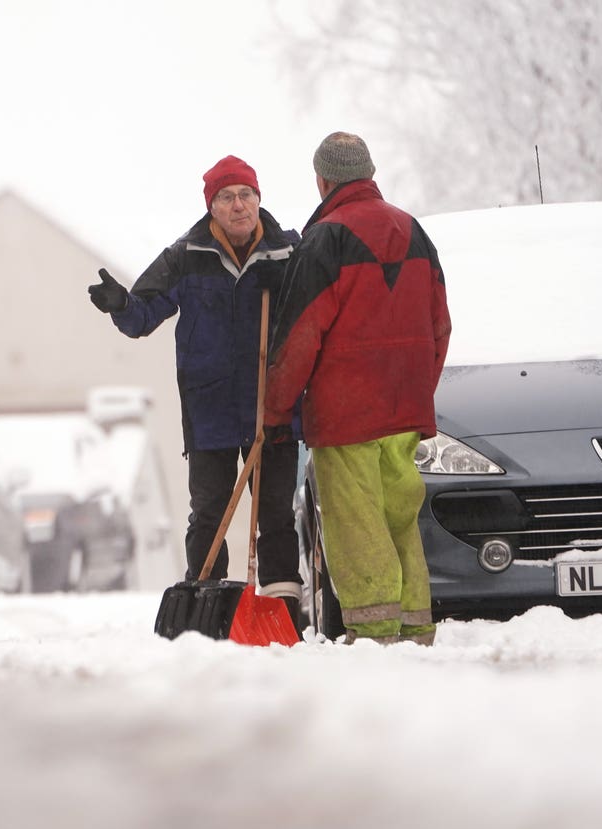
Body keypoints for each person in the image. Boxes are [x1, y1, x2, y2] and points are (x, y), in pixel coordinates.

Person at [87, 155, 305, 625]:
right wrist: (120, 304)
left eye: (246, 194)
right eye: (226, 197)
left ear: (258, 198)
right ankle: (207, 604)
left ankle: (284, 608)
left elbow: (317, 309)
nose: (238, 205)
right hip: (211, 408)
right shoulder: (187, 255)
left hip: (275, 403)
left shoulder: (289, 250)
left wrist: (288, 282)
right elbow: (143, 314)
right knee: (209, 511)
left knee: (275, 514)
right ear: (212, 207)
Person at [263, 131, 451, 645]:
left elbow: (300, 335)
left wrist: (276, 408)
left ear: (323, 180)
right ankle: (415, 626)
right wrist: (417, 392)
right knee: (398, 517)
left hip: (346, 414)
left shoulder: (326, 238)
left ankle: (375, 631)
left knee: (356, 521)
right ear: (369, 174)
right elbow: (441, 327)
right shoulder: (413, 231)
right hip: (403, 411)